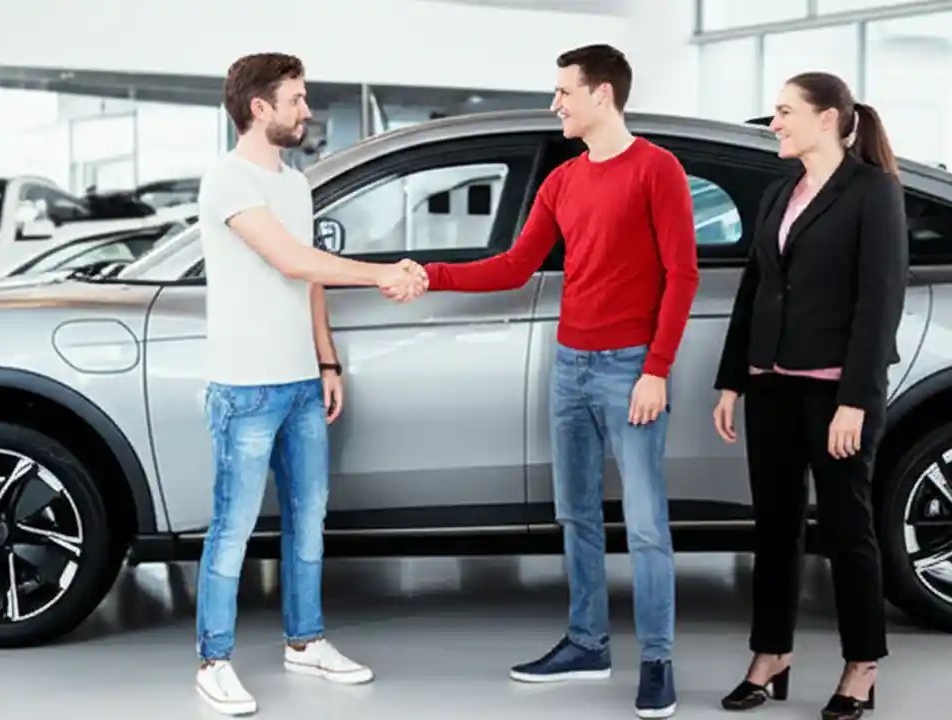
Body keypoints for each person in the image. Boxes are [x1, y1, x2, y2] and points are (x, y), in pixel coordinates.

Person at [419, 44, 700, 719]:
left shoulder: (657, 170)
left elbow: (682, 274)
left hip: (631, 367)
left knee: (646, 523)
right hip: (569, 365)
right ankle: (586, 643)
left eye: (563, 92)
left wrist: (656, 369)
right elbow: (515, 265)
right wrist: (429, 274)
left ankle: (657, 660)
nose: (556, 104)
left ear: (601, 94)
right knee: (575, 513)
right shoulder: (563, 181)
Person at [193, 52, 427, 717]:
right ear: (259, 108)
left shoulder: (296, 184)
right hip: (243, 388)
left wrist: (327, 363)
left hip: (299, 384)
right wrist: (385, 274)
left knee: (308, 524)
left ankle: (306, 642)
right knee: (233, 530)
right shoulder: (226, 179)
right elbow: (289, 256)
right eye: (296, 99)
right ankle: (213, 660)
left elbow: (309, 279)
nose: (307, 110)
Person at [711, 71, 907, 720]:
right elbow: (754, 290)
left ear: (827, 119)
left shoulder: (873, 193)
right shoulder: (778, 194)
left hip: (835, 394)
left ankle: (862, 665)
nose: (774, 123)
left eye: (784, 111)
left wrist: (856, 398)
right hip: (770, 385)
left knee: (848, 532)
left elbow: (880, 302)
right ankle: (772, 655)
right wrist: (732, 379)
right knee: (774, 529)